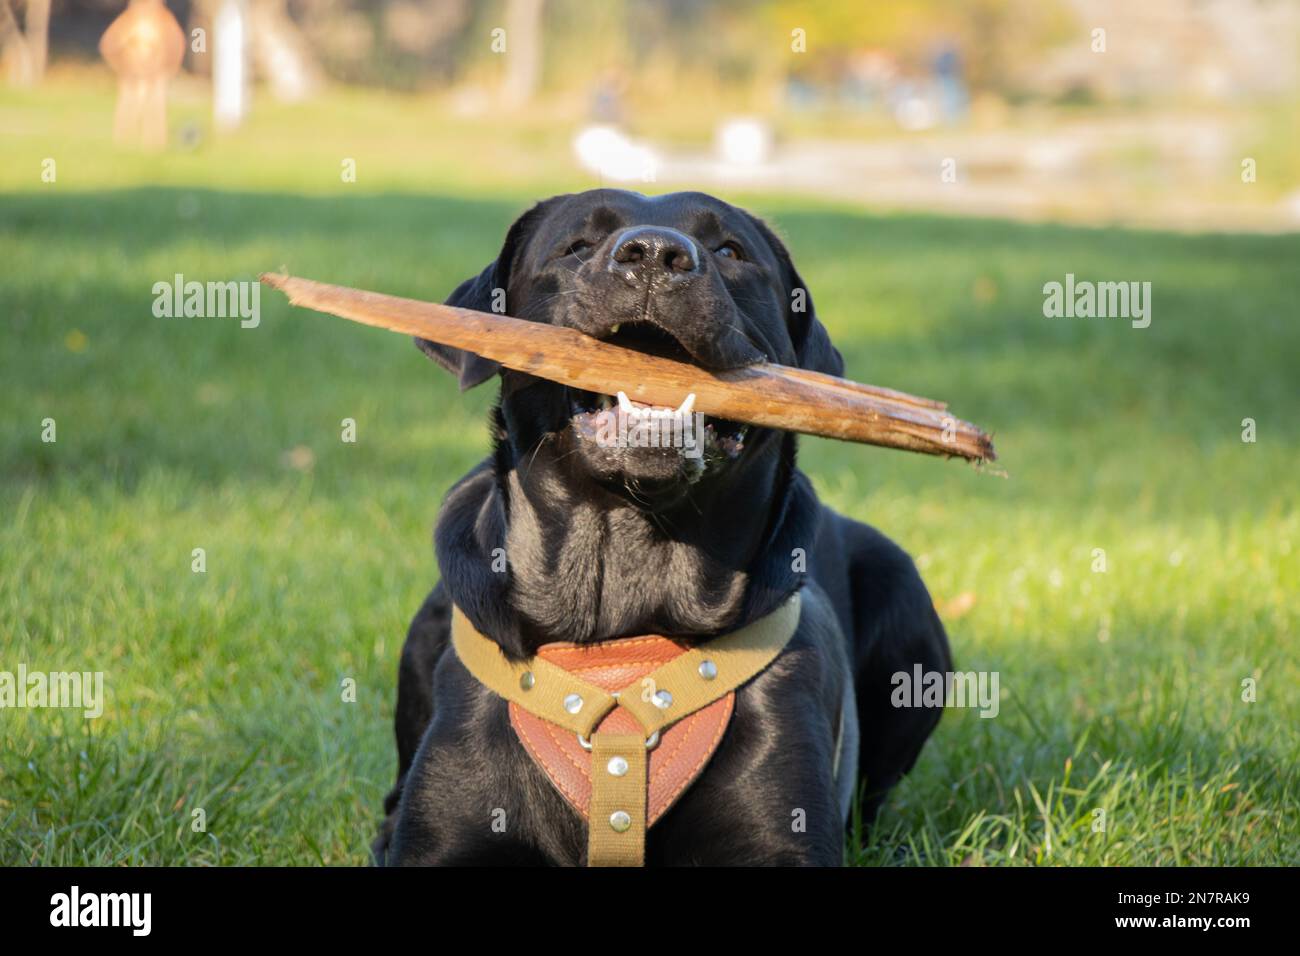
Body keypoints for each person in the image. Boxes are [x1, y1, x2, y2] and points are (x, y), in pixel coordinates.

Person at [99, 0, 186, 149]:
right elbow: (109, 44)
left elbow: (177, 43)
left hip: (157, 74)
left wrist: (170, 67)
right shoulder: (128, 20)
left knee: (156, 107)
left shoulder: (164, 20)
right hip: (132, 74)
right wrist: (122, 65)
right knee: (129, 105)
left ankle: (155, 144)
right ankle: (124, 142)